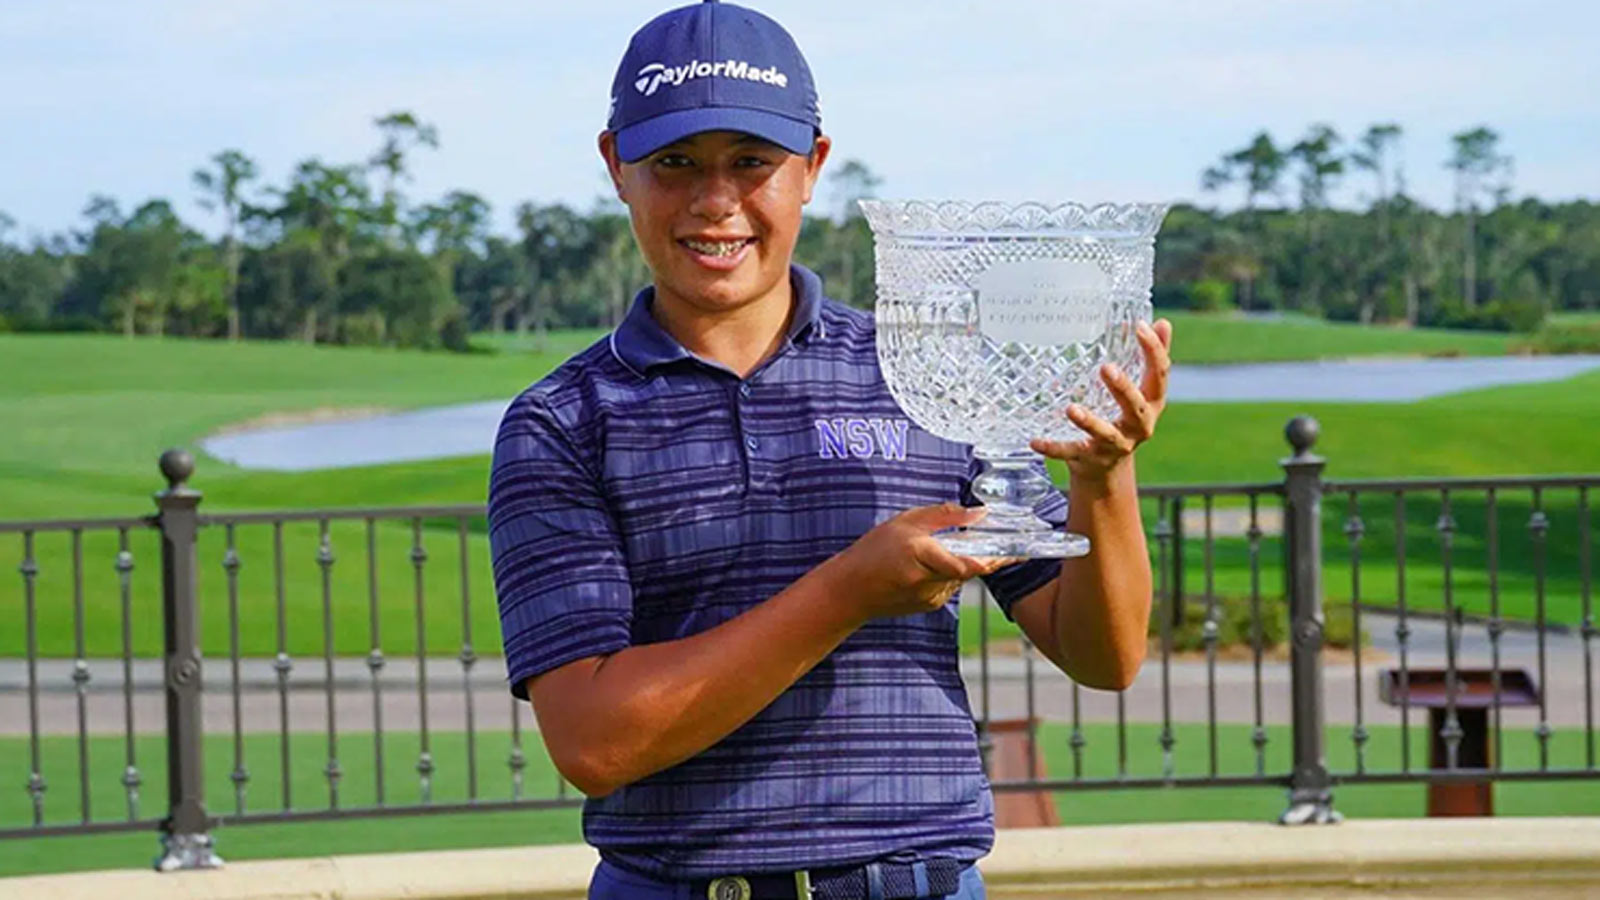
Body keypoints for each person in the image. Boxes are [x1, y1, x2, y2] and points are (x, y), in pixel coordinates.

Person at [488, 2, 1173, 897]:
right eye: (675, 163)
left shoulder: (923, 372)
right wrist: (852, 588)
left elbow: (1102, 655)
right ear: (618, 167)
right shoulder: (563, 421)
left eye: (751, 163)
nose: (715, 201)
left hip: (919, 881)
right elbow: (593, 742)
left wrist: (1104, 475)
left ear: (811, 166)